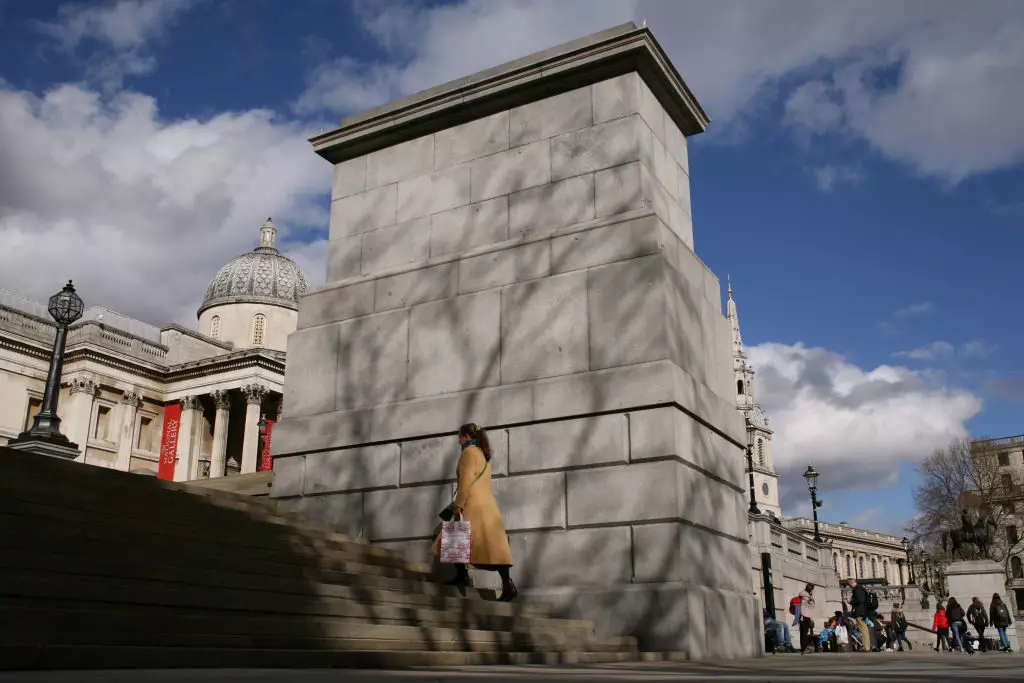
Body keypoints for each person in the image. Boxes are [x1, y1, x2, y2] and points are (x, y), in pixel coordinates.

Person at [432, 423, 517, 601]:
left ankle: (462, 576)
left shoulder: (468, 454)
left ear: (465, 437)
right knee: (494, 548)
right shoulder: (483, 455)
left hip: (473, 505)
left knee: (456, 537)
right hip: (488, 506)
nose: (458, 441)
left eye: (459, 437)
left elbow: (465, 482)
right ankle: (507, 584)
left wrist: (458, 505)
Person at [848, 579, 873, 652]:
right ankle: (866, 646)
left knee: (863, 630)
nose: (850, 587)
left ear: (852, 583)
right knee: (863, 629)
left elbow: (860, 600)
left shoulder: (858, 589)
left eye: (849, 585)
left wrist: (851, 601)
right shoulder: (860, 589)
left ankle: (866, 647)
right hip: (862, 611)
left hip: (860, 611)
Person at [798, 583, 820, 652]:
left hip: (805, 615)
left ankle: (804, 647)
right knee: (804, 632)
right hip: (804, 615)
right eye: (811, 588)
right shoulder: (805, 595)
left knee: (804, 632)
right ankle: (804, 648)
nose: (812, 590)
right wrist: (811, 599)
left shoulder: (806, 595)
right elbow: (807, 606)